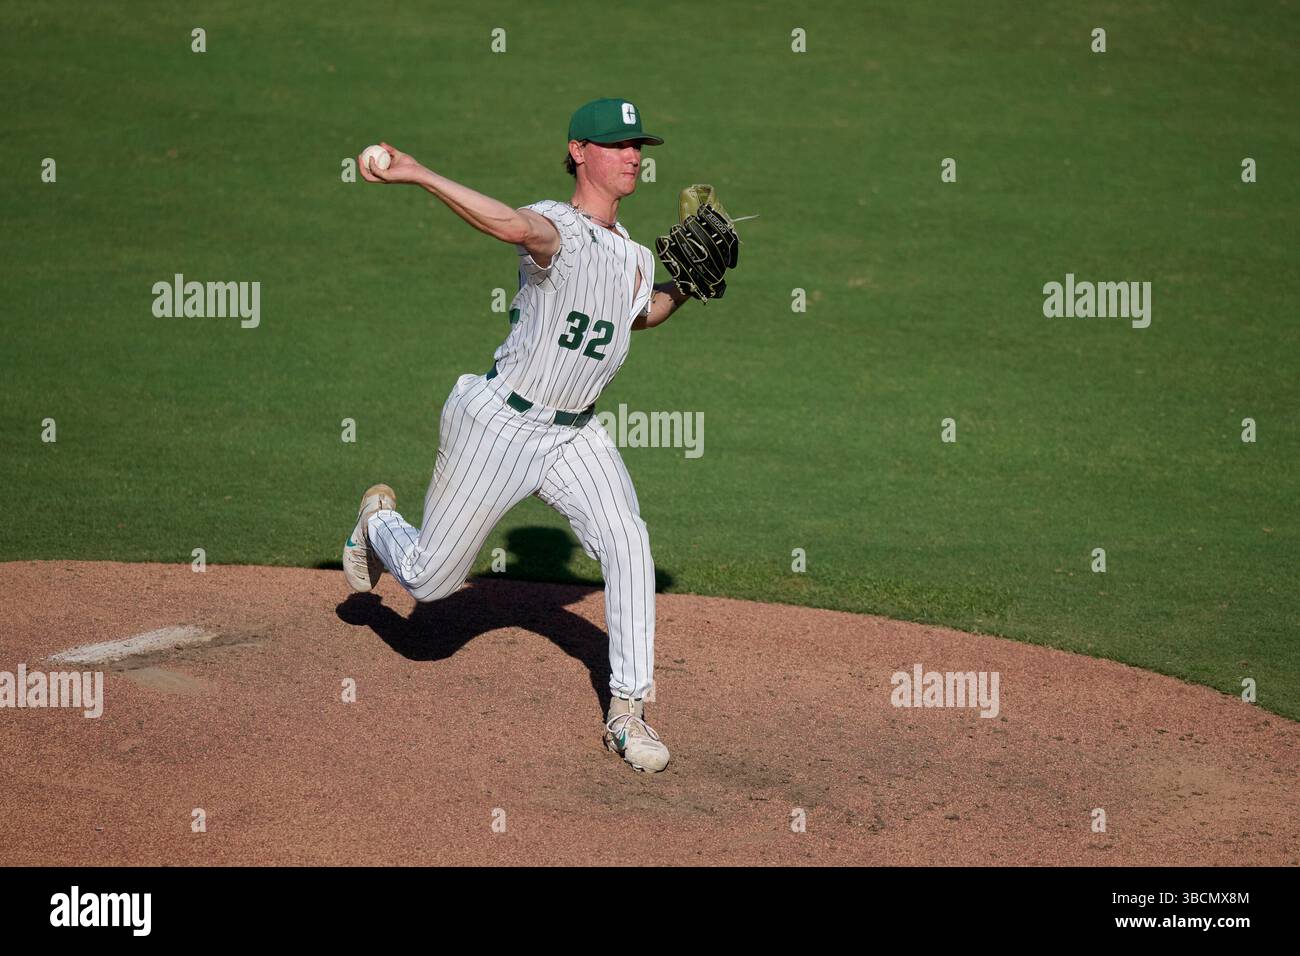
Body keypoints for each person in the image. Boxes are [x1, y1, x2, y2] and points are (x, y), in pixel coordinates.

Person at [343, 98, 689, 773]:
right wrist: (420, 174)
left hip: (575, 435)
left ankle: (627, 710)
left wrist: (692, 287)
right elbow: (512, 225)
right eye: (616, 145)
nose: (632, 155)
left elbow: (635, 316)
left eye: (637, 145)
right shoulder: (555, 226)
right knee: (430, 584)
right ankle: (378, 524)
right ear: (579, 152)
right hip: (500, 424)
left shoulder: (634, 256)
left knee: (628, 541)